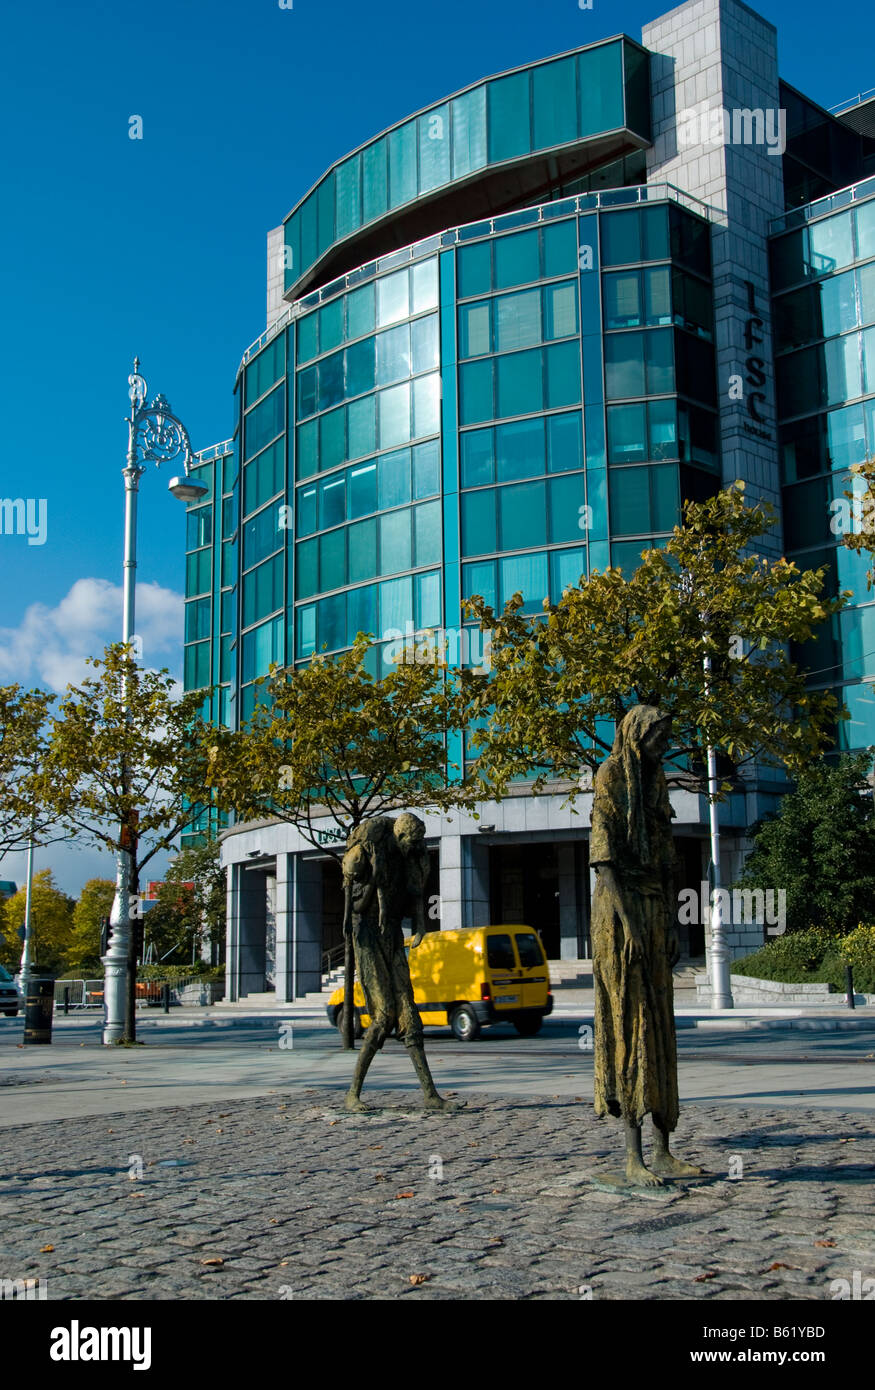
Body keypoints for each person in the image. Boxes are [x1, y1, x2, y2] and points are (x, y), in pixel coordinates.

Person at [590, 704, 702, 1186]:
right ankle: (632, 1154)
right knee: (629, 1022)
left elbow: (666, 859)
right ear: (636, 734)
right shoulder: (611, 775)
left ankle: (663, 1147)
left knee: (659, 1026)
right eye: (657, 737)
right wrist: (630, 926)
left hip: (654, 911)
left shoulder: (656, 780)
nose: (664, 745)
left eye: (667, 737)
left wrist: (671, 926)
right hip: (619, 915)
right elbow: (605, 860)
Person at [342, 813, 455, 1112]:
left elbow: (416, 890)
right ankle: (353, 1093)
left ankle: (430, 1095)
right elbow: (354, 903)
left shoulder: (410, 854)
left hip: (391, 933)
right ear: (399, 837)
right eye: (410, 842)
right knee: (383, 1015)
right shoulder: (373, 847)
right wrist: (373, 884)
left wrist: (420, 924)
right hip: (366, 934)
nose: (413, 847)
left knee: (410, 1016)